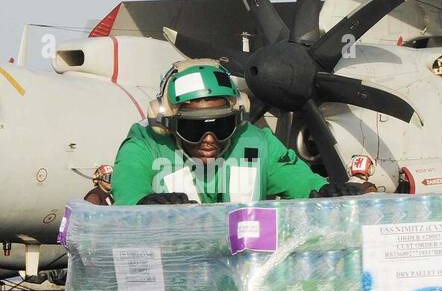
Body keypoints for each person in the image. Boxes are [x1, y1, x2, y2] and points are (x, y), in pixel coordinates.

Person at [112, 59, 363, 205]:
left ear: (238, 118)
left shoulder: (258, 144)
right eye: (195, 128)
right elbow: (129, 196)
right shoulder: (143, 146)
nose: (209, 139)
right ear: (166, 123)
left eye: (221, 126)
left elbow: (306, 185)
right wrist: (142, 207)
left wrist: (329, 192)